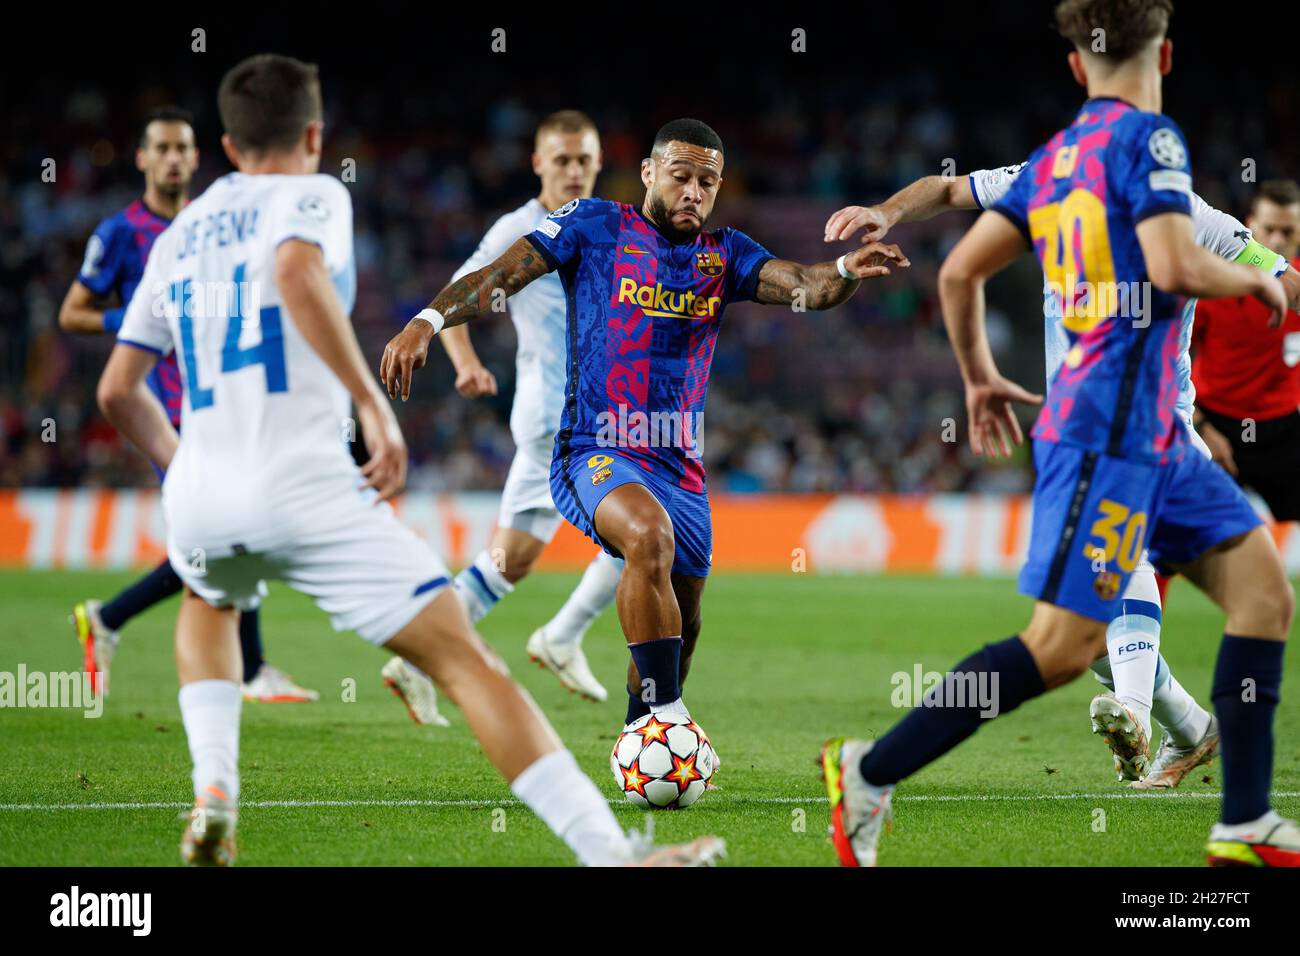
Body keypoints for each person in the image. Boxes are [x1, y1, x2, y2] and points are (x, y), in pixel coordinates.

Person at [97, 53, 722, 867]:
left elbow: (118, 390)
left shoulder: (176, 233)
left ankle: (215, 788)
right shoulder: (314, 194)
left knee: (208, 601)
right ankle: (612, 853)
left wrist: (182, 467)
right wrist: (369, 406)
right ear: (315, 134)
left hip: (203, 487)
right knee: (468, 663)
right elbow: (295, 268)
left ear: (225, 140)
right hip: (308, 480)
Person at [820, 0, 1298, 867]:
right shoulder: (1154, 146)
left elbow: (961, 267)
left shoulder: (1055, 161)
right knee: (1060, 650)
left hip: (1156, 436)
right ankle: (868, 771)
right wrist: (1252, 284)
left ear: (1077, 69)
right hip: (1108, 434)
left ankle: (1244, 819)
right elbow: (1172, 265)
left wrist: (975, 375)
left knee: (1263, 594)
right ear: (1167, 55)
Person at [380, 117, 906, 756]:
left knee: (684, 628)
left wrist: (846, 266)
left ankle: (641, 743)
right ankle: (668, 718)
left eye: (706, 182)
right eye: (680, 176)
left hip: (680, 467)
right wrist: (428, 321)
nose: (693, 192)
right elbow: (504, 273)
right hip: (593, 449)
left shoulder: (726, 253)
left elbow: (804, 286)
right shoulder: (594, 225)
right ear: (650, 172)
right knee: (645, 538)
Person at [60, 106, 316, 704]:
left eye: (183, 149)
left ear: (199, 157)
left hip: (223, 398)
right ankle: (240, 668)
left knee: (228, 532)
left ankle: (116, 622)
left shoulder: (209, 227)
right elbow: (71, 312)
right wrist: (127, 317)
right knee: (219, 531)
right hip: (164, 406)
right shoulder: (120, 234)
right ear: (144, 158)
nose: (174, 158)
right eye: (162, 149)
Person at [381, 110, 620, 725]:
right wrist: (459, 357)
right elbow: (465, 285)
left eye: (583, 160)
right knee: (650, 528)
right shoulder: (520, 227)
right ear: (538, 163)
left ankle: (414, 658)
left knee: (511, 559)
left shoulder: (604, 222)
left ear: (598, 164)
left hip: (563, 415)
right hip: (567, 418)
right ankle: (562, 635)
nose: (573, 170)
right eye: (561, 159)